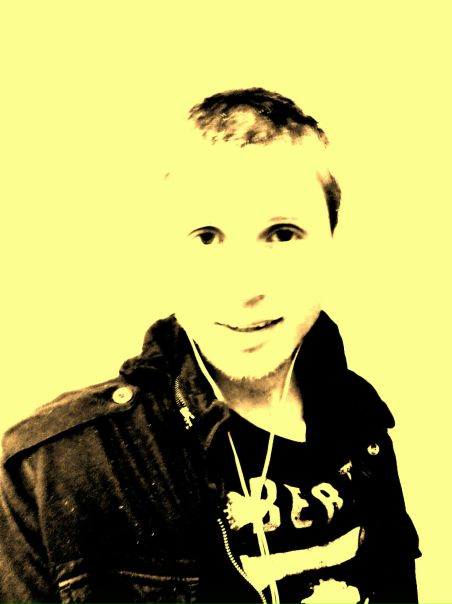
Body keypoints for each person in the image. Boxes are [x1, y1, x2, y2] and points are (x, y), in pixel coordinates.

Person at [0, 88, 420, 604]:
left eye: (283, 234)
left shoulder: (362, 422)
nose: (244, 288)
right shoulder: (49, 469)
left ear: (331, 243)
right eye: (206, 237)